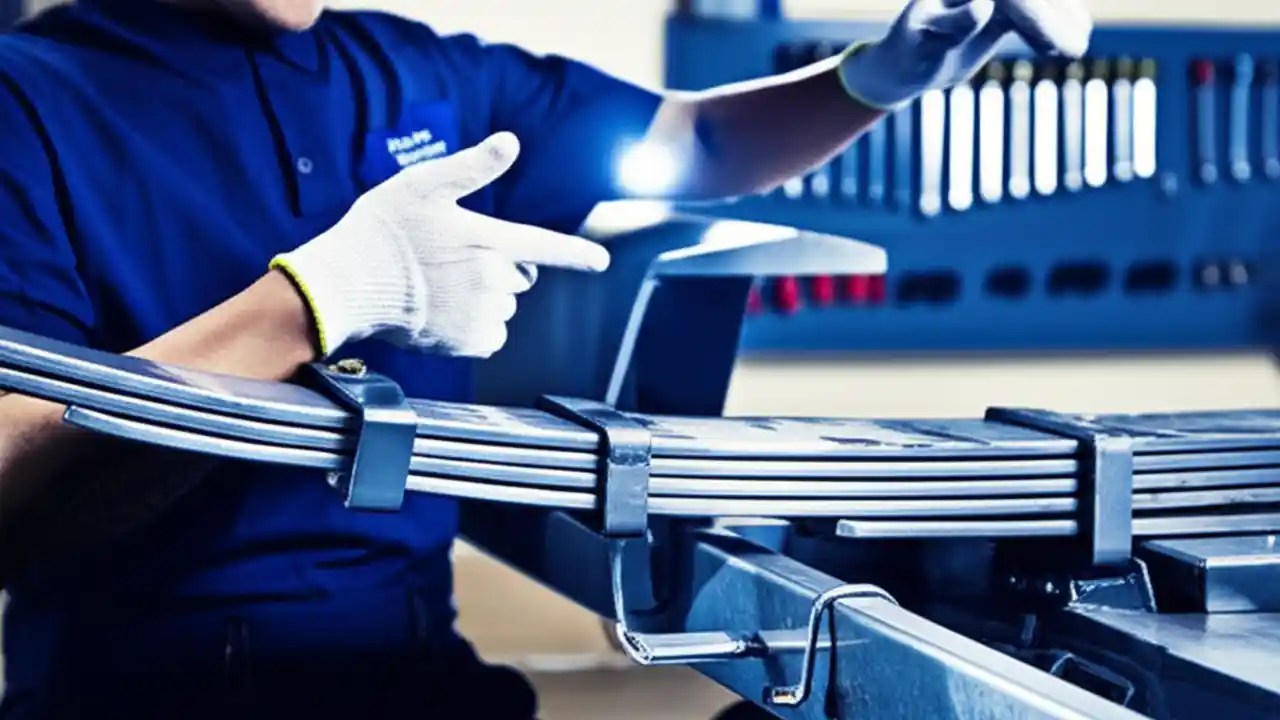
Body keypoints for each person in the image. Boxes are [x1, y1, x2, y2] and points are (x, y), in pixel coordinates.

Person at [0, 0, 1089, 716]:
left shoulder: (412, 72)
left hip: (411, 656)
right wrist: (318, 302)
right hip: (150, 684)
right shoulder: (33, 99)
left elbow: (693, 145)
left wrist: (876, 77)